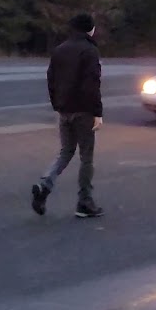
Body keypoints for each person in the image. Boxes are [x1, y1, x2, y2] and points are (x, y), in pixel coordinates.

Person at [31, 13, 105, 218]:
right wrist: (97, 113)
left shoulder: (59, 50)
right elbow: (92, 84)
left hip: (65, 110)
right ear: (89, 29)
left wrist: (58, 105)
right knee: (86, 157)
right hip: (84, 111)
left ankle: (45, 183)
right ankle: (85, 202)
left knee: (66, 151)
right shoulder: (90, 51)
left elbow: (51, 79)